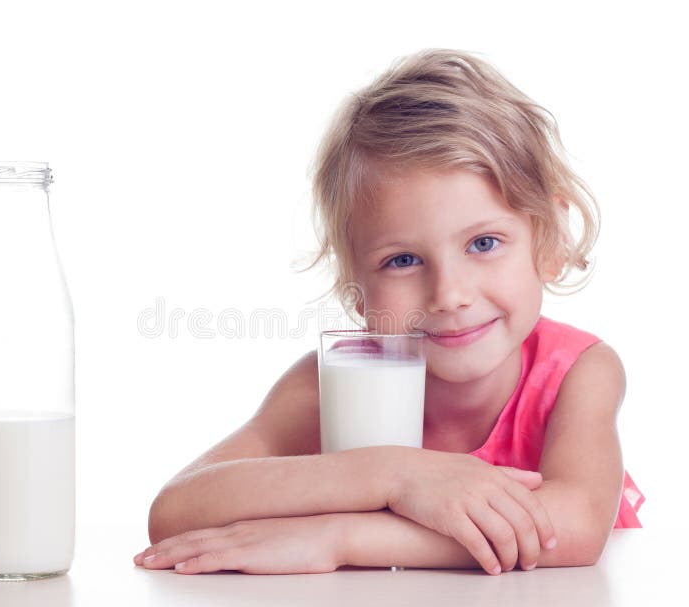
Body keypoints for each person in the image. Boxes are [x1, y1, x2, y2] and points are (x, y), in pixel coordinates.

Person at [134, 48, 643, 576]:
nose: (449, 294)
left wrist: (343, 537)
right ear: (355, 286)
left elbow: (576, 526)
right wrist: (393, 475)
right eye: (402, 260)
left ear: (551, 240)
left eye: (484, 243)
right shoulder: (330, 384)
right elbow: (176, 511)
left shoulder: (579, 372)